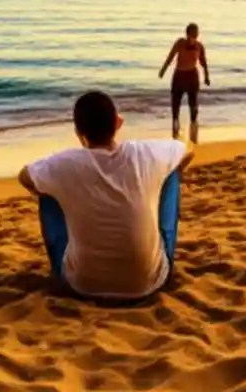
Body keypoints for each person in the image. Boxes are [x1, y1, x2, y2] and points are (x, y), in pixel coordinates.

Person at [18, 91, 194, 300]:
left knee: (46, 188)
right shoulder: (145, 153)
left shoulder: (65, 163)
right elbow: (189, 151)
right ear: (118, 122)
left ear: (78, 132)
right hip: (148, 282)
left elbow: (25, 176)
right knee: (170, 173)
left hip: (82, 285)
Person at [158, 23, 210, 143]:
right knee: (175, 106)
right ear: (187, 34)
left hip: (192, 77)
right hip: (179, 77)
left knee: (194, 106)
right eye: (193, 34)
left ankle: (193, 134)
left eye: (196, 34)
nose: (195, 37)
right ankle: (175, 132)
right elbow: (170, 57)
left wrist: (206, 76)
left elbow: (203, 62)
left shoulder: (199, 46)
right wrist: (163, 70)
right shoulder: (180, 43)